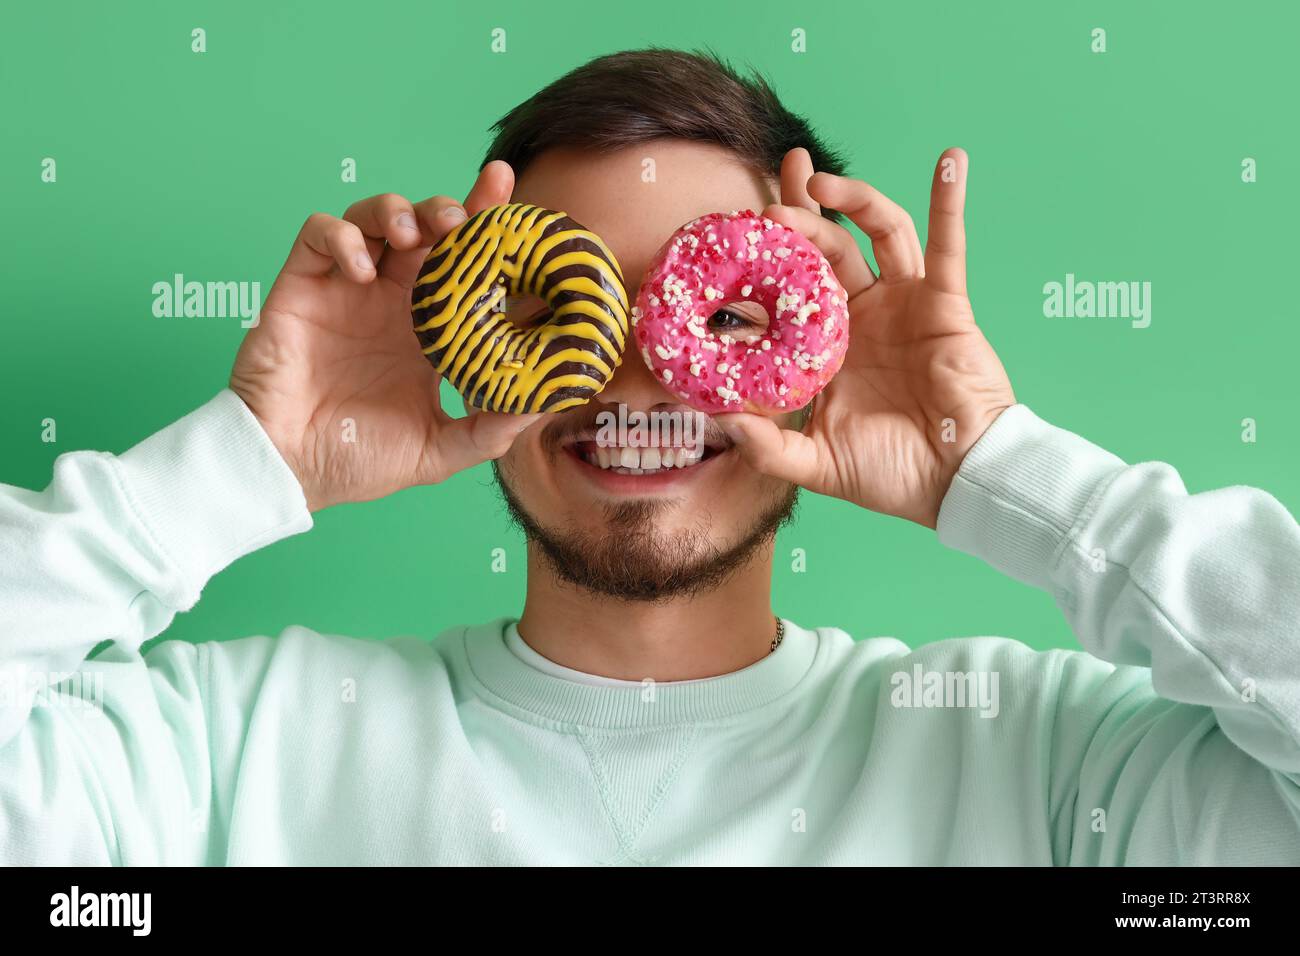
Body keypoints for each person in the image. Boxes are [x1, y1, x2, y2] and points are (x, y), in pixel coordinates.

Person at [2, 49, 1297, 866]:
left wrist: (1004, 470)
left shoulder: (1047, 769)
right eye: (565, 310)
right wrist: (247, 462)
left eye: (723, 315)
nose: (637, 374)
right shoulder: (216, 761)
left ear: (821, 347)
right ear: (462, 336)